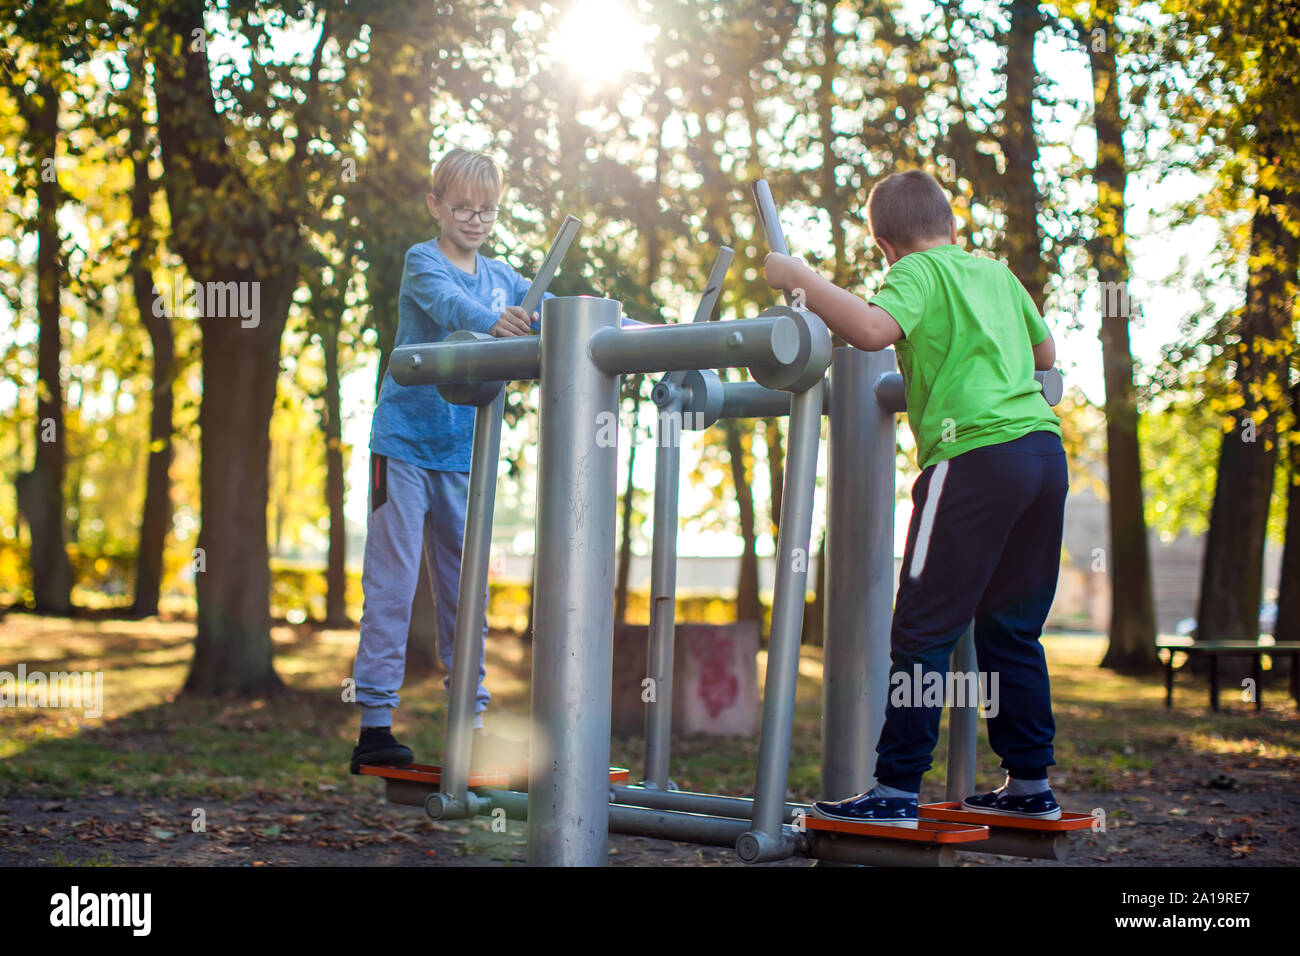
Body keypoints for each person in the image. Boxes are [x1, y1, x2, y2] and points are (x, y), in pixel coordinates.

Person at [764, 169, 1067, 826]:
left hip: (974, 460)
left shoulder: (917, 274)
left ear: (886, 248)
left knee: (923, 629)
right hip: (1044, 455)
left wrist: (800, 279)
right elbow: (1045, 352)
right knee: (1013, 628)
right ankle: (1030, 783)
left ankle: (897, 790)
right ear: (952, 225)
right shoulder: (997, 275)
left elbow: (872, 332)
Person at [350, 148, 543, 773]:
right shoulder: (423, 261)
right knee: (394, 586)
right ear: (436, 206)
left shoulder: (508, 277)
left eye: (486, 210)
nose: (475, 219)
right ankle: (375, 725)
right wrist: (498, 325)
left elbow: (547, 318)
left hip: (465, 456)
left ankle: (472, 725)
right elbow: (454, 311)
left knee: (467, 596)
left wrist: (565, 325)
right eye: (462, 207)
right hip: (402, 447)